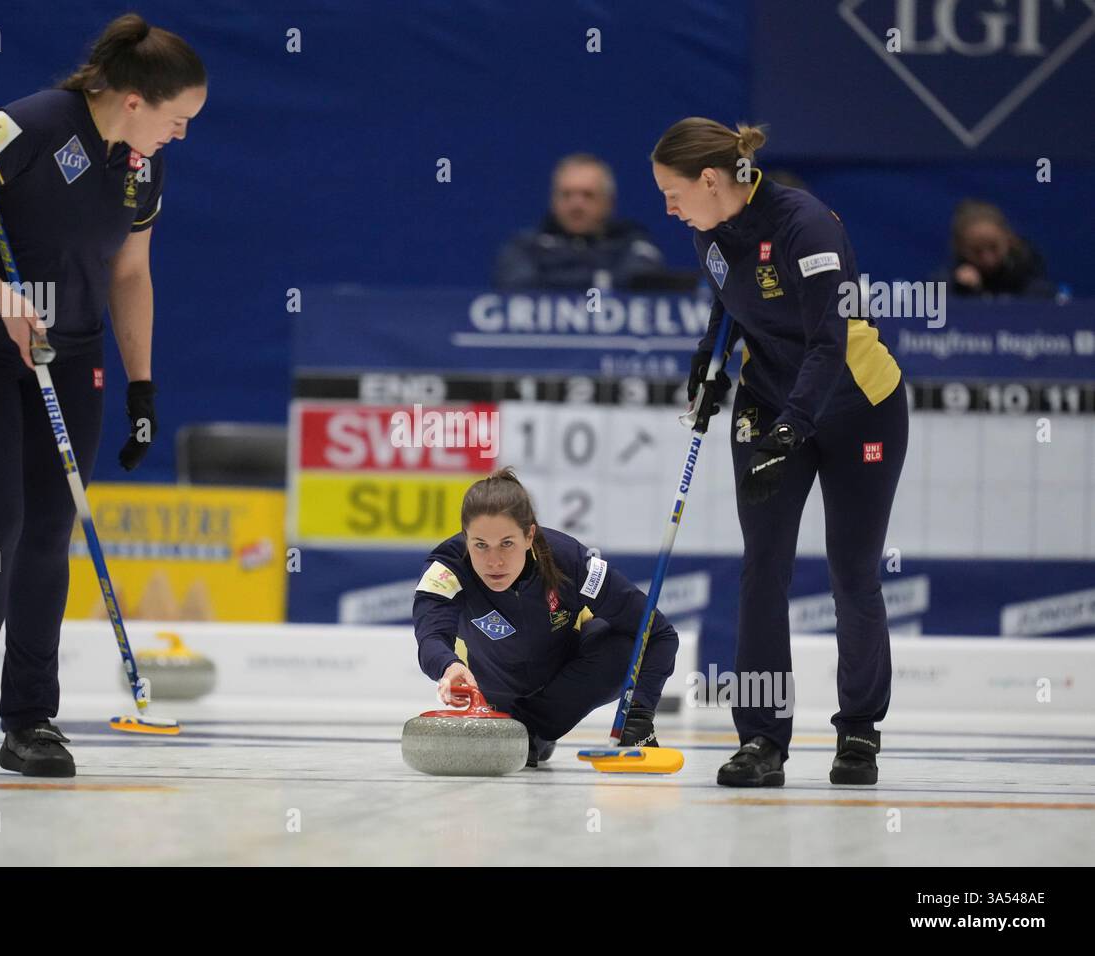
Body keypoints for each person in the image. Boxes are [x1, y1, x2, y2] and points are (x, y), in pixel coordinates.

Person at [0, 13, 206, 778]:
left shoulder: (143, 163)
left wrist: (142, 385)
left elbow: (130, 274)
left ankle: (30, 720)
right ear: (135, 99)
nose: (181, 135)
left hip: (68, 351)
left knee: (48, 529)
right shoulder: (32, 123)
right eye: (178, 119)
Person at [651, 118, 907, 787]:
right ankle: (762, 742)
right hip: (769, 401)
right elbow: (728, 305)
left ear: (711, 180)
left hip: (859, 407)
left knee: (852, 573)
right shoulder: (709, 230)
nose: (667, 209)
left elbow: (827, 342)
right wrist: (706, 369)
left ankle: (858, 733)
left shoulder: (807, 225)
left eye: (672, 193)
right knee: (763, 569)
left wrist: (792, 432)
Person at [412, 468, 679, 767]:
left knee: (627, 642)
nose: (494, 561)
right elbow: (431, 636)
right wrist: (449, 666)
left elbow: (658, 633)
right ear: (465, 538)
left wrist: (639, 715)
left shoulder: (571, 562)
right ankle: (528, 733)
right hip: (497, 699)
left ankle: (532, 731)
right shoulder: (446, 569)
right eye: (480, 545)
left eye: (507, 543)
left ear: (529, 536)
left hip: (565, 684)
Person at [492, 153, 689, 291]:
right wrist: (601, 280)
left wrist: (554, 279)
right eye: (566, 195)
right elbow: (518, 289)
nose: (576, 204)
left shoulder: (633, 244)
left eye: (588, 195)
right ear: (553, 201)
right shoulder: (524, 247)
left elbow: (641, 283)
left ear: (608, 202)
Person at [936, 199, 1054, 299]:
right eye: (976, 251)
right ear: (960, 248)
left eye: (994, 247)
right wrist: (965, 293)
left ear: (1008, 239)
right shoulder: (943, 288)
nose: (988, 258)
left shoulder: (1032, 283)